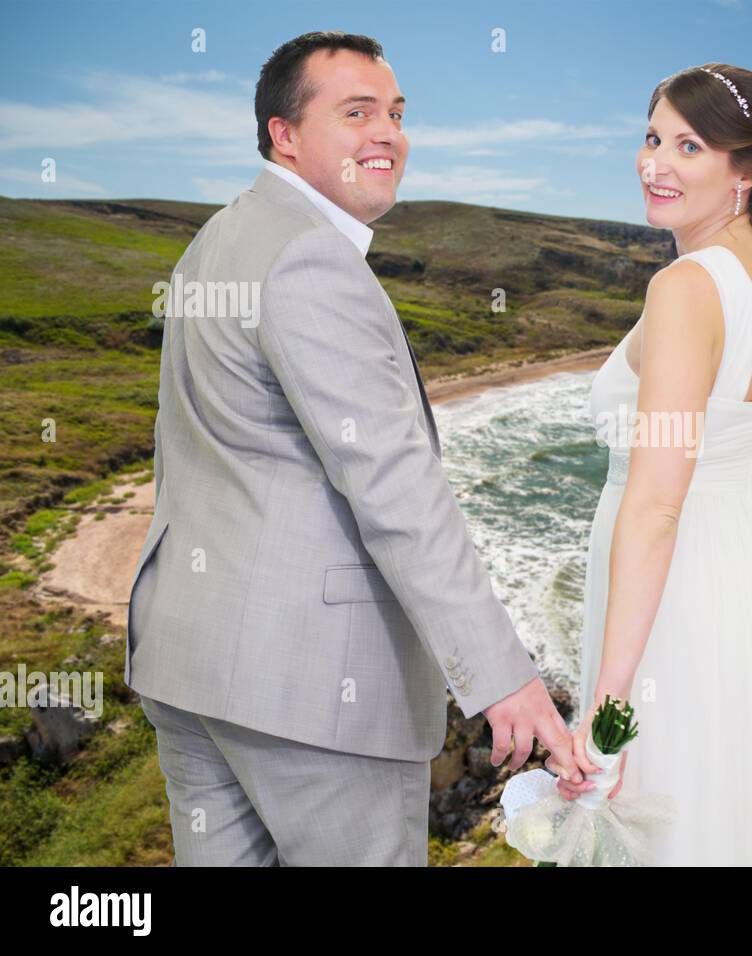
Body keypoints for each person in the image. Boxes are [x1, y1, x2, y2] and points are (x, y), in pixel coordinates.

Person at [126, 31, 575, 866]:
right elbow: (395, 488)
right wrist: (502, 675)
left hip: (190, 664)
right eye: (356, 112)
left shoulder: (215, 242)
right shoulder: (312, 261)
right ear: (283, 135)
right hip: (311, 690)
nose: (387, 135)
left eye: (396, 114)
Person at [549, 63, 752, 864]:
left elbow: (656, 505)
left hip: (674, 595)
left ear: (745, 172)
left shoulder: (684, 288)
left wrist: (608, 706)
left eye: (690, 145)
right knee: (748, 804)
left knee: (670, 804)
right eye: (652, 137)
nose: (656, 162)